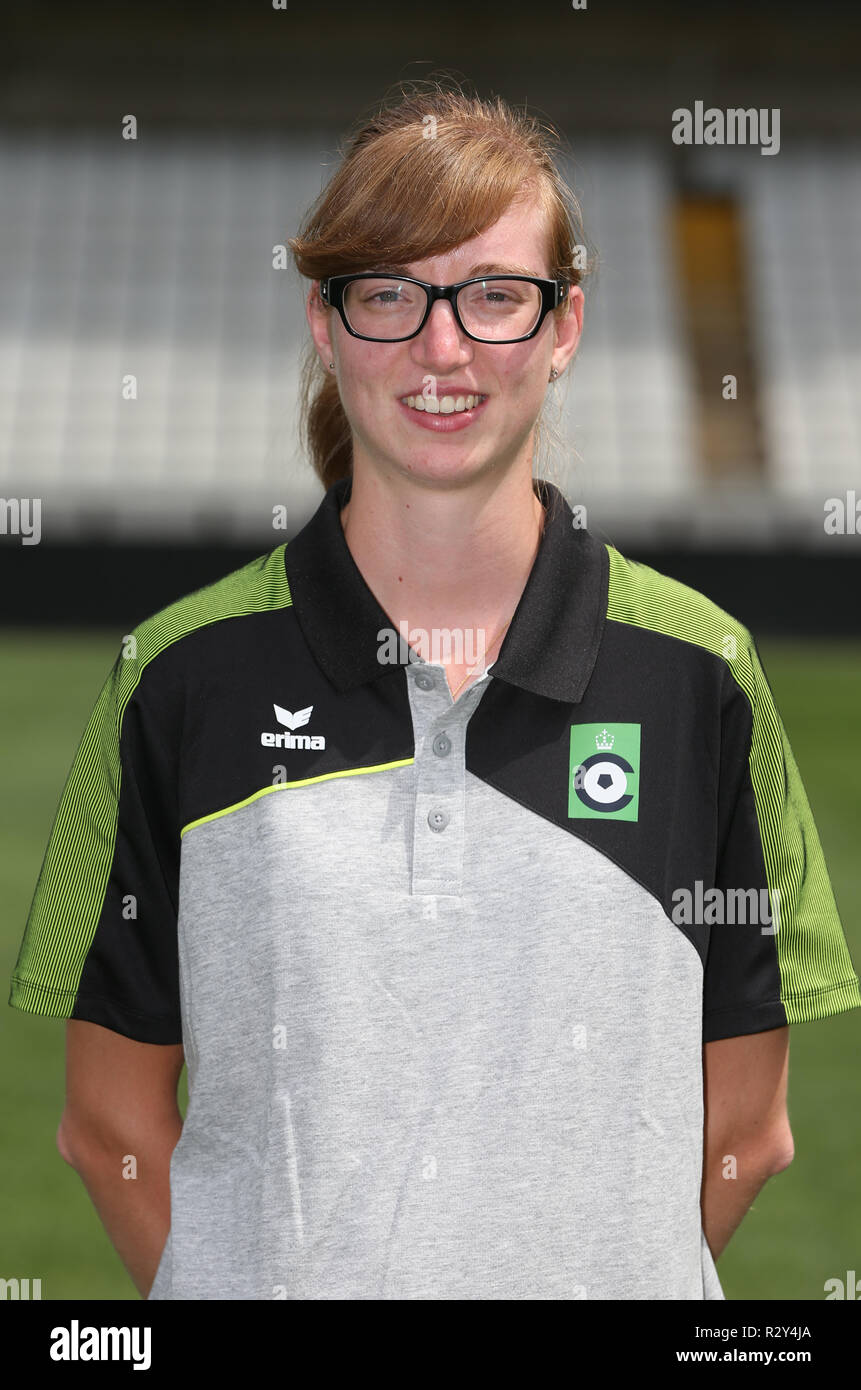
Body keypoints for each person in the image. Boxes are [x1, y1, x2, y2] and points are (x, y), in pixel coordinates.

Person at [8, 83, 861, 1301]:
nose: (443, 349)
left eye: (495, 296)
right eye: (390, 295)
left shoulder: (702, 669)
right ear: (324, 319)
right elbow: (107, 1124)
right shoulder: (175, 675)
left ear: (566, 326)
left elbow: (748, 1126)